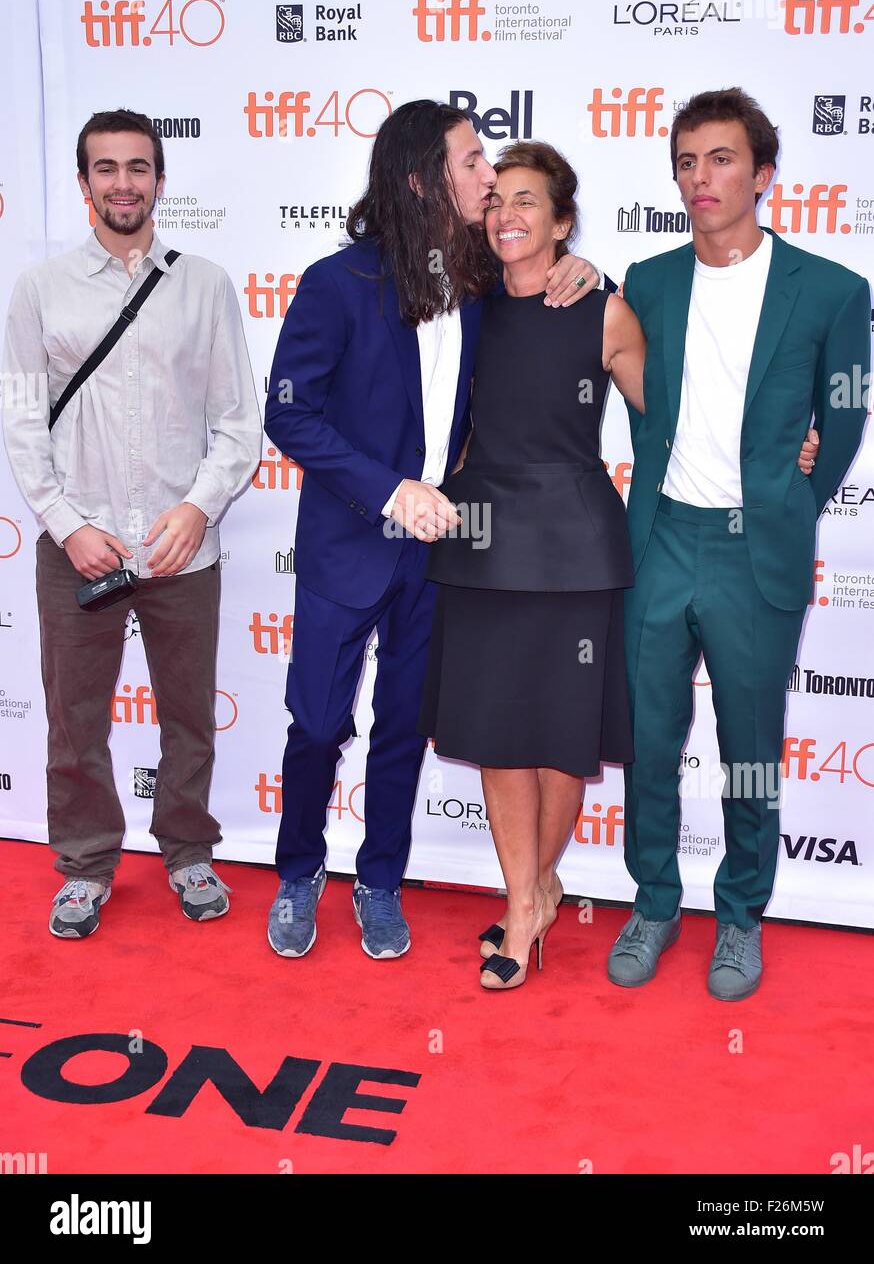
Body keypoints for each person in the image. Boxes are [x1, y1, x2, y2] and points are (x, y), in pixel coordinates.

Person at [263, 100, 601, 961]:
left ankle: (380, 881)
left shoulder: (482, 282)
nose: (490, 179)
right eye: (473, 162)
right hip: (347, 546)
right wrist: (389, 491)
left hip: (441, 558)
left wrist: (582, 268)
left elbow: (548, 294)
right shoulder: (336, 284)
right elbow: (290, 414)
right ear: (422, 178)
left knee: (405, 725)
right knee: (317, 722)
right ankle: (299, 872)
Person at [607, 87, 870, 1000]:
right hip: (660, 541)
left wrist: (796, 490)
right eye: (686, 161)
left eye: (720, 159)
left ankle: (742, 915)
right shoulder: (647, 281)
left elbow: (844, 413)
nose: (699, 178)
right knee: (647, 737)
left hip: (754, 550)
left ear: (762, 174)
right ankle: (652, 900)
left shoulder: (833, 291)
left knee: (749, 745)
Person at [2, 108, 262, 937]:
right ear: (84, 184)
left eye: (138, 168)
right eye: (106, 169)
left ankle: (188, 852)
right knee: (76, 721)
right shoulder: (39, 290)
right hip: (77, 547)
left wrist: (198, 507)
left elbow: (238, 420)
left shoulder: (206, 284)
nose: (124, 183)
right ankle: (84, 865)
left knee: (188, 715)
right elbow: (19, 417)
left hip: (182, 549)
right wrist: (65, 523)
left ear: (159, 179)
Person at [418, 141, 645, 989]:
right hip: (478, 539)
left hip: (577, 546)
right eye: (496, 199)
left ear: (561, 220)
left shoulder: (602, 307)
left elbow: (670, 419)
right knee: (497, 736)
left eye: (528, 200)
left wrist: (785, 445)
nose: (507, 213)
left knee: (557, 734)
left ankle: (531, 897)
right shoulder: (463, 307)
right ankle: (527, 898)